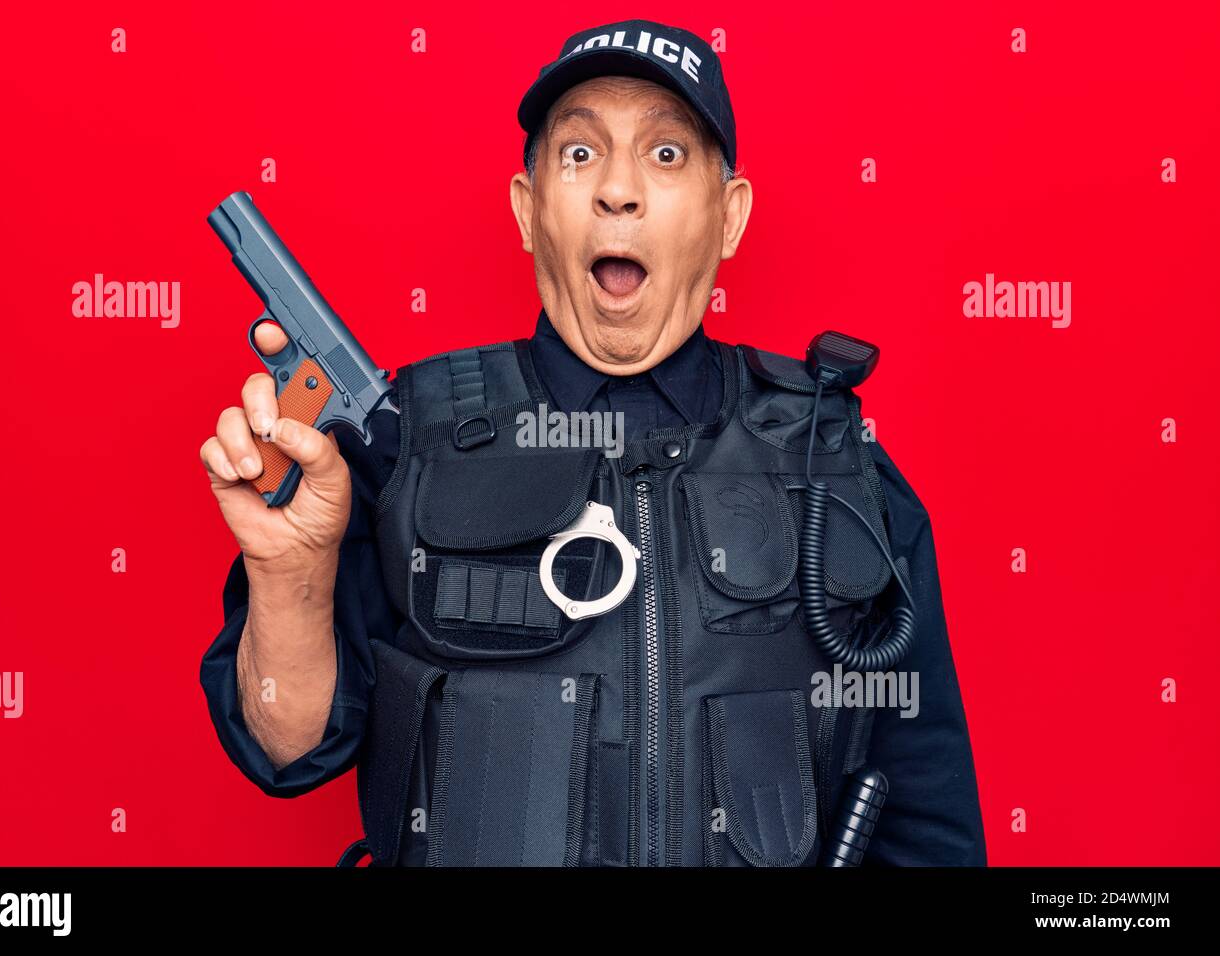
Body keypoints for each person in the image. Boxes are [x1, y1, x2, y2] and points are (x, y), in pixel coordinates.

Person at [199, 19, 987, 866]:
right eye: (579, 154)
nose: (619, 190)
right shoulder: (401, 445)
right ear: (528, 209)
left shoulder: (833, 457)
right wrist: (288, 575)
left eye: (667, 154)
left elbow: (927, 821)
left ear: (730, 218)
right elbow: (287, 748)